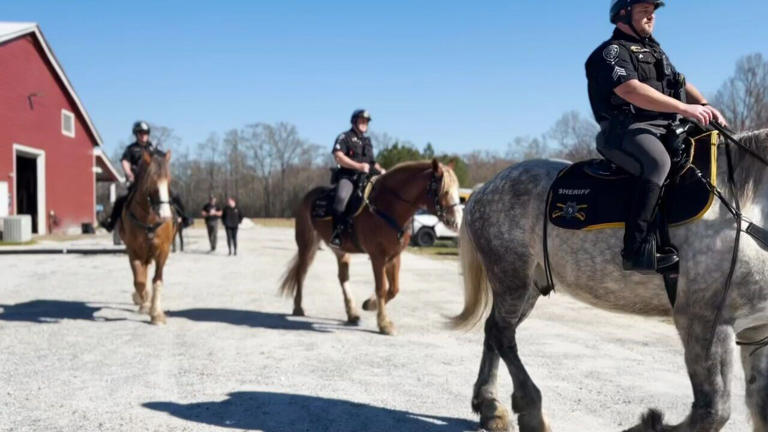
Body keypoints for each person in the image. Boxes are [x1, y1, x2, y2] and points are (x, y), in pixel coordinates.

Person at [585, 0, 728, 273]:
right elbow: (631, 90)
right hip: (625, 130)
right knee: (657, 164)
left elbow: (680, 84)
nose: (651, 16)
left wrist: (706, 105)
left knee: (711, 146)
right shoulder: (611, 52)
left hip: (664, 127)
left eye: (653, 12)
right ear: (622, 16)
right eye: (643, 11)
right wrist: (685, 109)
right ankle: (636, 249)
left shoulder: (655, 50)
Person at [329, 109, 386, 247]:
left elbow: (372, 162)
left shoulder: (367, 141)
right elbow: (338, 156)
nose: (364, 123)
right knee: (341, 198)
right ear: (354, 121)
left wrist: (382, 170)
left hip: (367, 177)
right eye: (361, 120)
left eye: (366, 121)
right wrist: (358, 166)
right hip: (348, 177)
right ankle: (337, 234)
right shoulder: (344, 137)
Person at [102, 121, 156, 232]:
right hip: (137, 182)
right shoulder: (131, 149)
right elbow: (125, 161)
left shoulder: (152, 148)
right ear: (136, 134)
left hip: (151, 183)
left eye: (145, 133)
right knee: (120, 200)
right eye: (140, 133)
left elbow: (161, 160)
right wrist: (129, 173)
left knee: (172, 195)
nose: (143, 135)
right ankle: (111, 224)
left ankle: (183, 219)